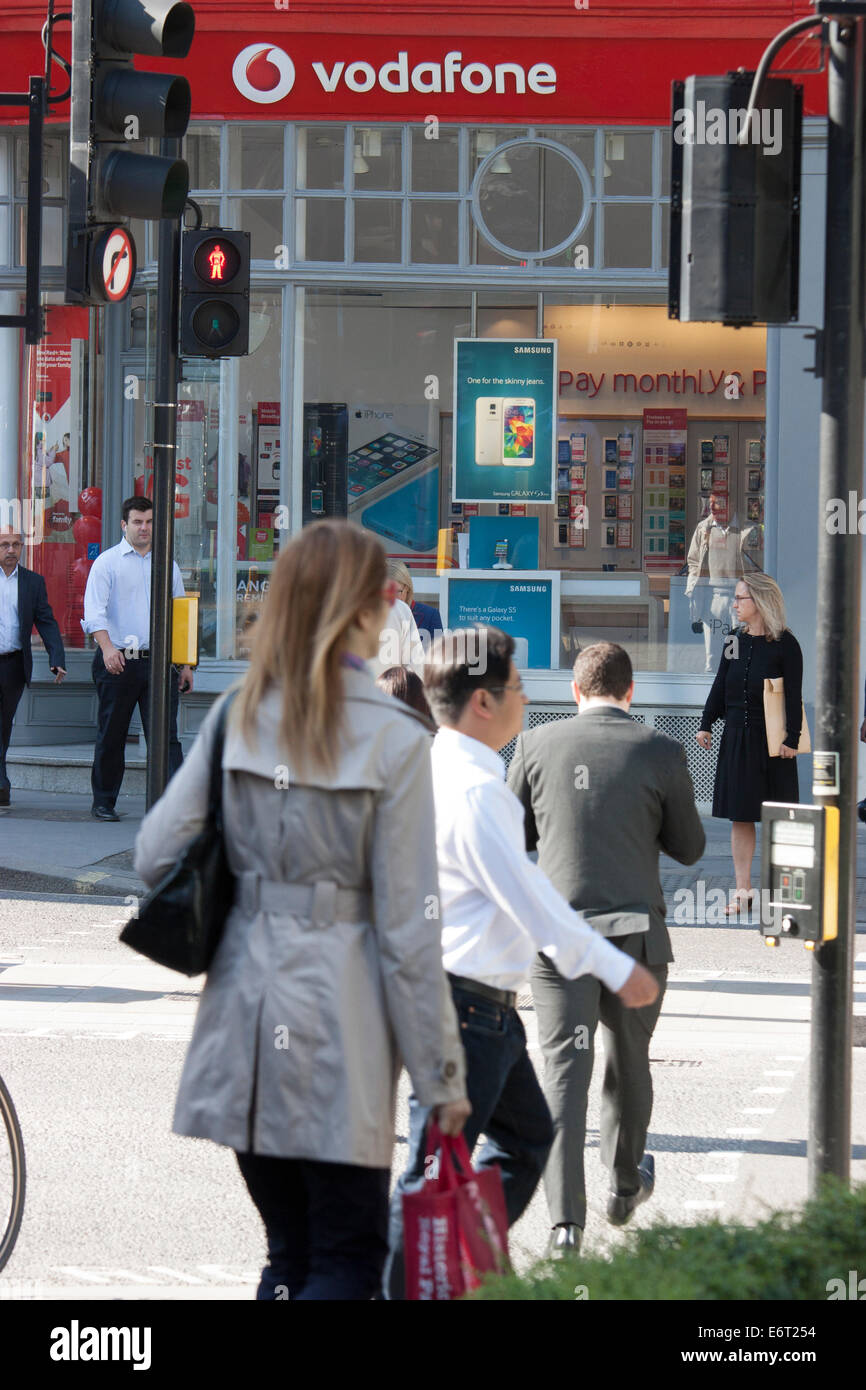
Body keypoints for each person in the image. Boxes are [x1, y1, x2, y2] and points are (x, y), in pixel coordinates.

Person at [134, 520, 469, 1301]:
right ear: (362, 611)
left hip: (244, 1019)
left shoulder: (240, 713)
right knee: (347, 1255)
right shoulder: (395, 736)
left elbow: (154, 855)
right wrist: (441, 1075)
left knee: (288, 1255)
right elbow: (409, 931)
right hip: (339, 1027)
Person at [384, 625, 660, 1298]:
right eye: (515, 688)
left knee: (527, 1141)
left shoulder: (433, 768)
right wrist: (617, 968)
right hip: (465, 1007)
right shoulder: (478, 793)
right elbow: (533, 902)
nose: (526, 698)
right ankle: (409, 1279)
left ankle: (464, 1267)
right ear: (483, 701)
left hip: (476, 1007)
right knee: (429, 1174)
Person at [507, 642, 705, 1253]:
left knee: (564, 1075)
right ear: (630, 692)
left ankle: (565, 1224)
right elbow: (692, 847)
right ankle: (623, 1184)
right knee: (628, 1064)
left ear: (574, 691)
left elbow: (514, 834)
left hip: (558, 941)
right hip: (636, 939)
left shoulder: (536, 745)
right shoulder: (661, 751)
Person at [82, 496, 194, 821]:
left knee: (166, 737)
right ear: (124, 525)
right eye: (137, 522)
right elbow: (93, 613)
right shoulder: (107, 563)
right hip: (116, 661)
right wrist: (106, 649)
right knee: (112, 734)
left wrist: (185, 664)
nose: (144, 528)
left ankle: (174, 805)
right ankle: (103, 801)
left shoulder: (167, 565)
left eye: (149, 522)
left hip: (160, 663)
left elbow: (180, 616)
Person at [697, 572, 803, 912]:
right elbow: (720, 683)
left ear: (759, 602)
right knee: (740, 817)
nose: (735, 604)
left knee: (780, 819)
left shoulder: (786, 644)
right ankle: (743, 891)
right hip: (737, 739)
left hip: (774, 742)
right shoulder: (733, 638)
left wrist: (793, 739)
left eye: (740, 598)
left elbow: (794, 696)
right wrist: (706, 723)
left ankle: (787, 892)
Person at [0, 527, 66, 807]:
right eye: (4, 545)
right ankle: (2, 783)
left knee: (3, 725)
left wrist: (57, 659)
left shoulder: (32, 582)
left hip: (13, 664)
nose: (11, 550)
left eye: (16, 544)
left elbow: (47, 621)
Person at [686, 493, 760, 672]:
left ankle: (738, 689)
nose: (712, 508)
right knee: (712, 654)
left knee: (739, 650)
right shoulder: (703, 528)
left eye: (717, 503)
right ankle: (711, 691)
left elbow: (759, 564)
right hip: (712, 597)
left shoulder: (748, 529)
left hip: (741, 597)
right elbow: (694, 561)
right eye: (710, 503)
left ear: (731, 504)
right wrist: (694, 597)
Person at [368, 590, 424, 679]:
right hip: (390, 689)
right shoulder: (400, 609)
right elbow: (416, 667)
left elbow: (416, 666)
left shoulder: (400, 609)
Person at [386, 560, 443, 644]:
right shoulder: (373, 617)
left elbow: (440, 654)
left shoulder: (430, 616)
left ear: (407, 588)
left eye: (396, 592)